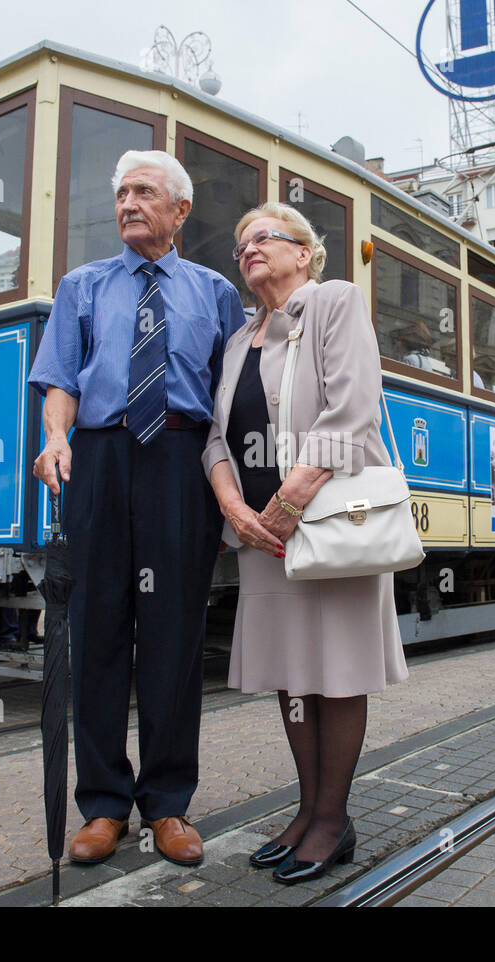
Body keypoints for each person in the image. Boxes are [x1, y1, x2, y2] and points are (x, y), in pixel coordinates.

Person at [29, 149, 244, 868]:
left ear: (179, 210)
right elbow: (60, 379)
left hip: (179, 462)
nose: (127, 203)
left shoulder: (215, 293)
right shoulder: (82, 286)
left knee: (174, 636)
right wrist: (56, 439)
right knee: (95, 632)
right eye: (121, 191)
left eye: (144, 192)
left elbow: (230, 399)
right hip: (99, 459)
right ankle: (102, 805)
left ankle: (169, 804)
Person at [202, 202, 408, 884]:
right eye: (241, 244)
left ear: (305, 253)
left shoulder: (335, 303)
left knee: (337, 672)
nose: (249, 250)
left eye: (264, 237)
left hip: (328, 521)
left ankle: (332, 820)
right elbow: (215, 439)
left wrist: (287, 505)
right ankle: (307, 809)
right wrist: (235, 506)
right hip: (263, 531)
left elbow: (349, 409)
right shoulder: (237, 343)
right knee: (294, 676)